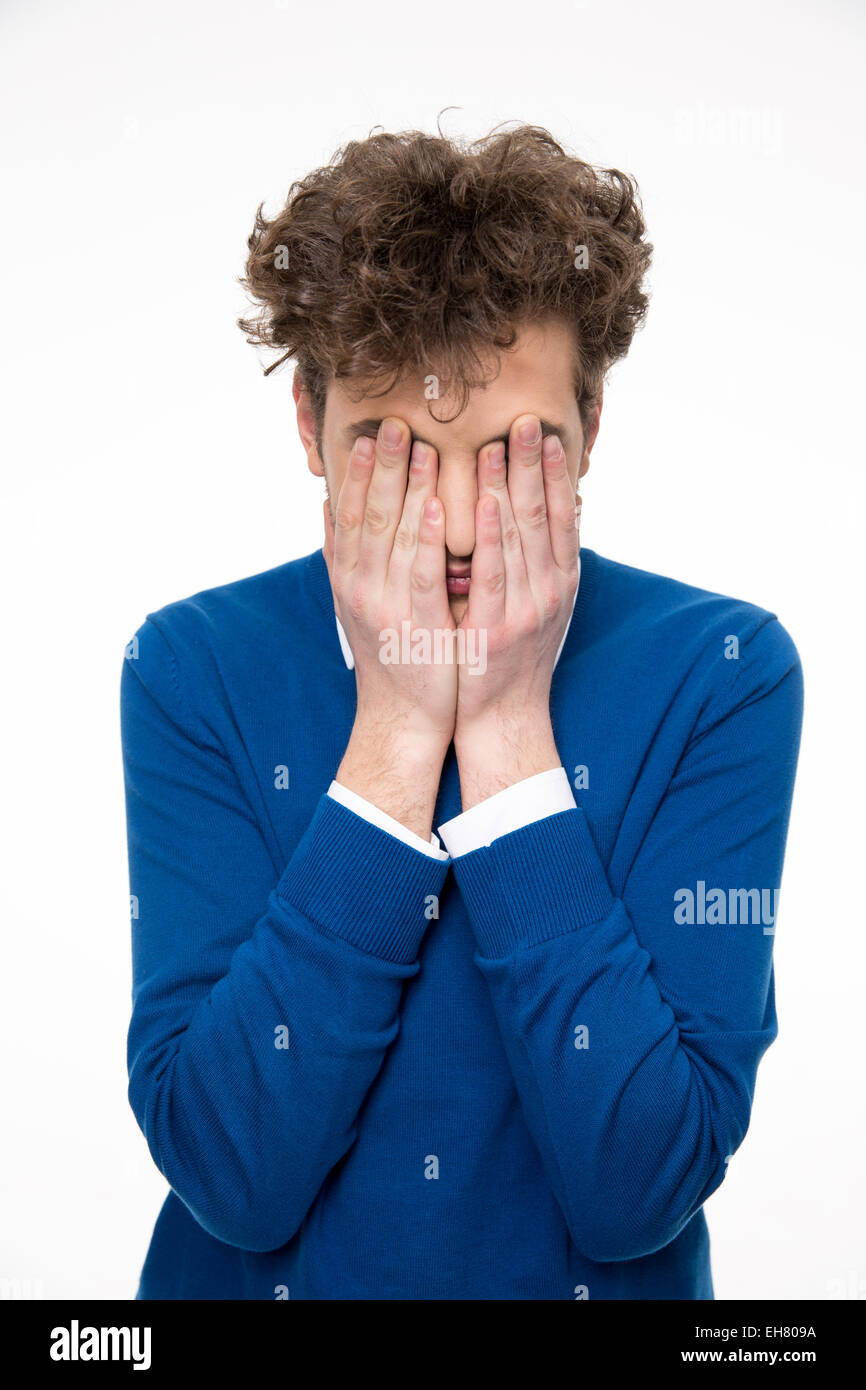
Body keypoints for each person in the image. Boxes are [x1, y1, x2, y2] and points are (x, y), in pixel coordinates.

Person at [120, 123, 803, 1300]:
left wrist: (502, 731)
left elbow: (636, 1190)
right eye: (390, 452)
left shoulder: (723, 670)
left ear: (590, 430)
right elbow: (232, 1176)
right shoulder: (192, 667)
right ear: (307, 431)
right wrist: (392, 733)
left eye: (504, 454)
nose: (446, 527)